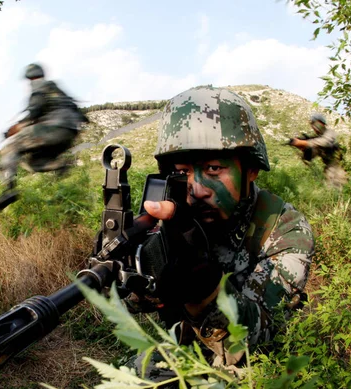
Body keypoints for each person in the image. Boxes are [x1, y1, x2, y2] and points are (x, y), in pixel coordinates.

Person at [126, 86, 315, 378]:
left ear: (251, 170)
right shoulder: (172, 217)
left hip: (256, 366)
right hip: (186, 350)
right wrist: (135, 269)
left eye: (214, 168)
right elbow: (141, 306)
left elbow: (263, 334)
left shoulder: (285, 229)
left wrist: (204, 291)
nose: (197, 189)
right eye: (183, 171)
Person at [0, 63, 88, 211]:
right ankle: (60, 165)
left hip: (52, 129)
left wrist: (11, 131)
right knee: (34, 163)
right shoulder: (57, 90)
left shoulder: (39, 85)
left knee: (11, 148)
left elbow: (33, 113)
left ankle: (8, 190)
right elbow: (81, 115)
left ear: (30, 77)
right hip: (69, 133)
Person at [288, 113, 347, 188]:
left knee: (338, 191)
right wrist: (302, 148)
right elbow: (310, 156)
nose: (314, 127)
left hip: (338, 169)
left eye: (315, 124)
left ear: (321, 123)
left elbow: (325, 142)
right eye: (312, 124)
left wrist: (304, 143)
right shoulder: (318, 138)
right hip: (329, 169)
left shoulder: (330, 133)